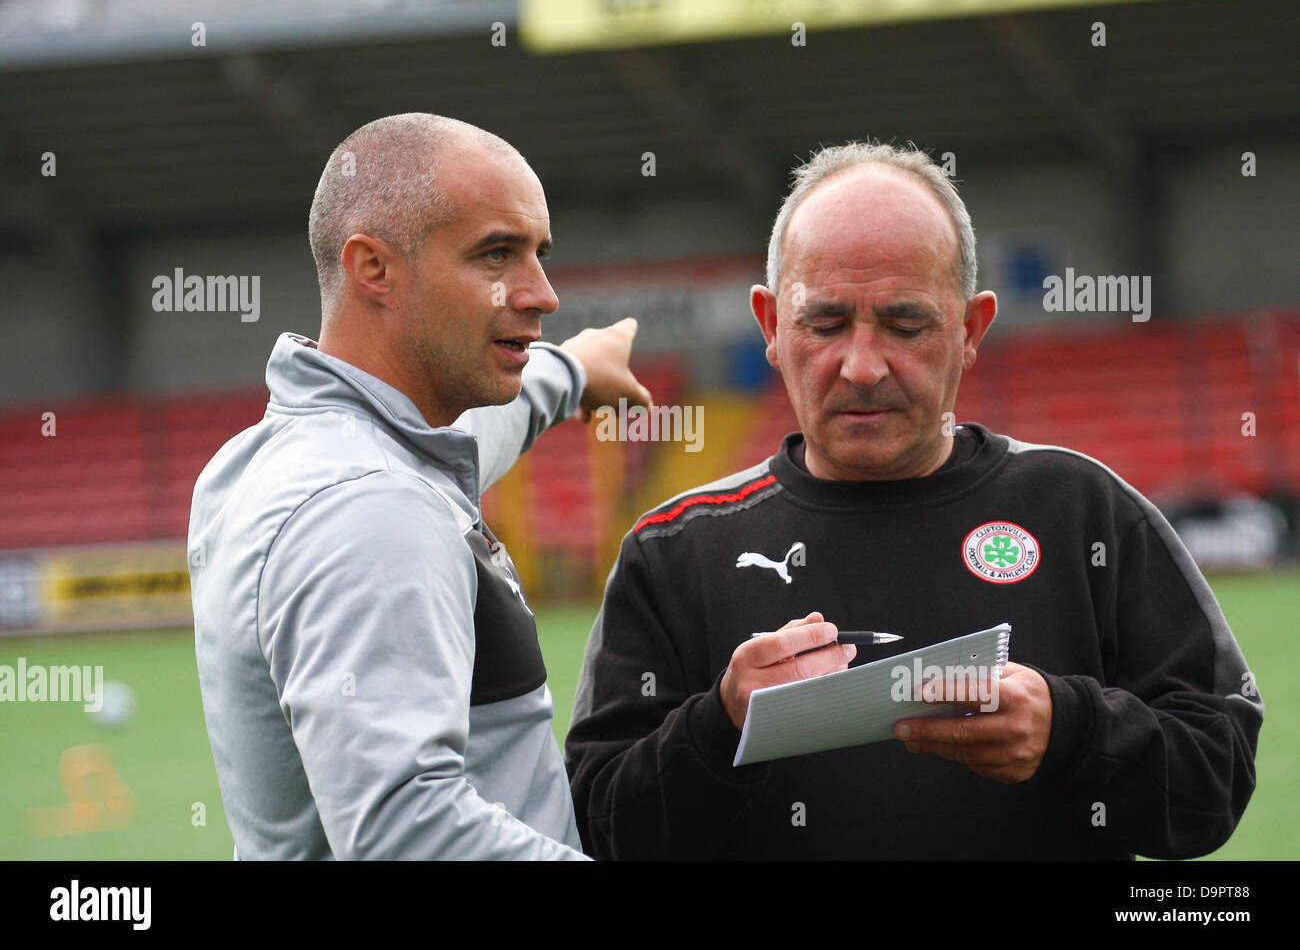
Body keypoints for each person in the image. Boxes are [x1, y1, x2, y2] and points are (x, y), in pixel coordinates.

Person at [564, 141, 1263, 859]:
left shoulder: (1084, 510)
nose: (862, 368)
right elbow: (597, 826)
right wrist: (721, 726)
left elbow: (1216, 781)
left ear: (970, 330)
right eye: (825, 323)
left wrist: (1072, 732)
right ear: (771, 326)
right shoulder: (676, 550)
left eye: (905, 325)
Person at [190, 113, 650, 859]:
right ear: (374, 268)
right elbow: (410, 836)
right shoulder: (370, 507)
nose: (543, 293)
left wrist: (573, 371)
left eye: (540, 253)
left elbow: (465, 440)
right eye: (497, 253)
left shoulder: (275, 458)